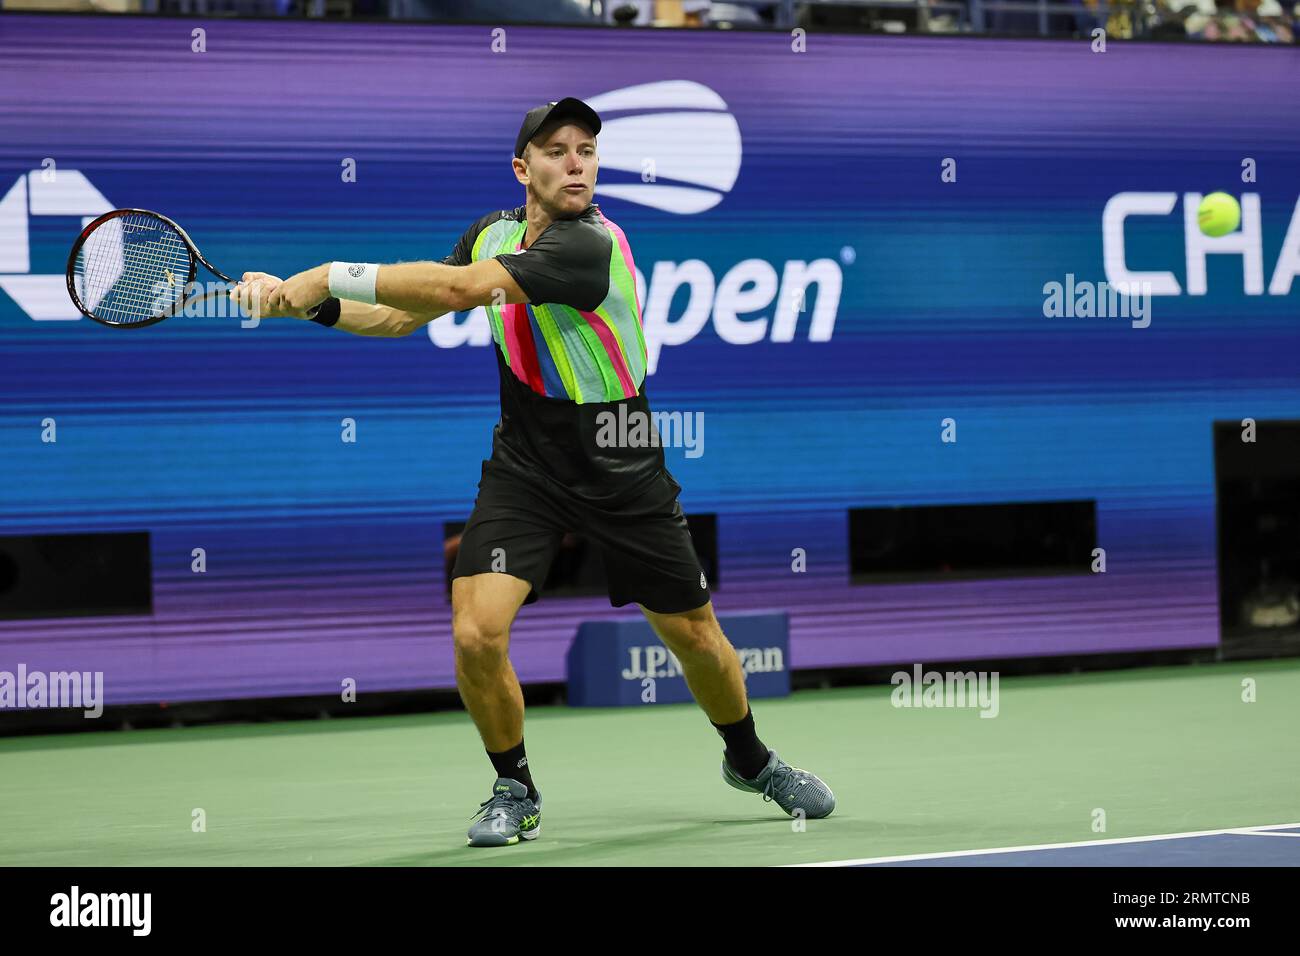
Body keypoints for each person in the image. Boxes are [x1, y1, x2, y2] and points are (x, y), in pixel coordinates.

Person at [230, 97, 834, 848]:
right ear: (524, 169)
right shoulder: (492, 232)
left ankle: (749, 759)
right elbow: (396, 319)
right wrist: (296, 307)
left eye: (587, 149)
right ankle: (513, 786)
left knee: (695, 637)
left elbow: (456, 292)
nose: (576, 161)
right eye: (556, 150)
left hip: (620, 453)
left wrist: (323, 274)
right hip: (526, 456)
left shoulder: (591, 246)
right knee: (476, 632)